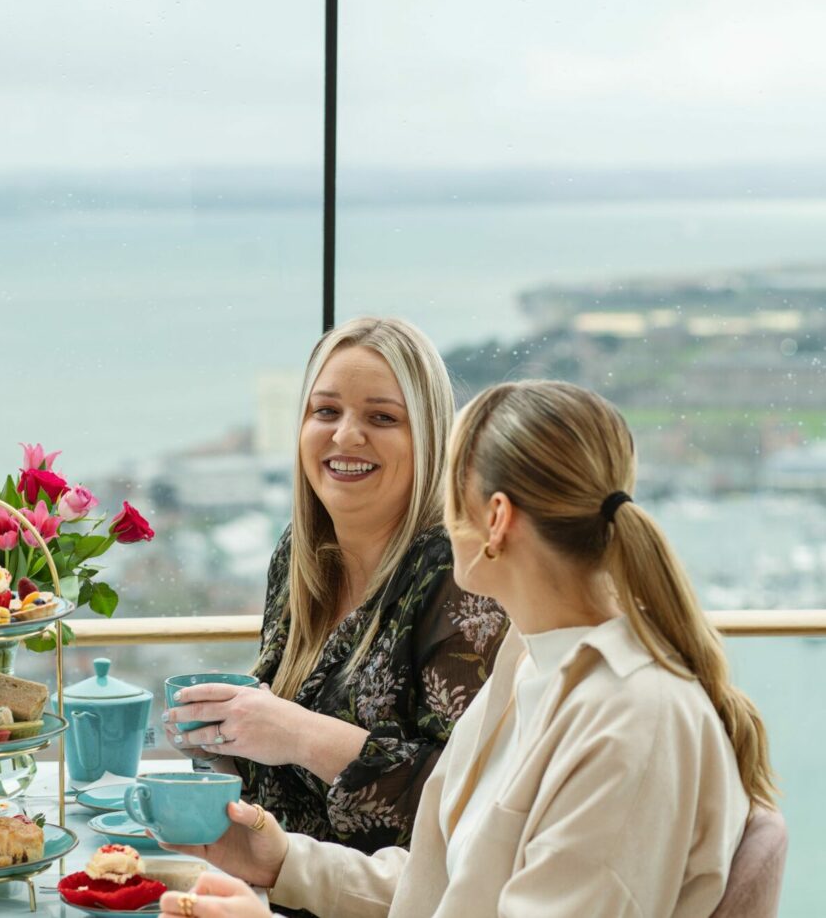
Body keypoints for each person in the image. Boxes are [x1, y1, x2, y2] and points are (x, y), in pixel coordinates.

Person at [157, 379, 776, 918]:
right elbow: (448, 884)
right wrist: (284, 861)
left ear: (497, 519)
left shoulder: (632, 725)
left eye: (450, 492)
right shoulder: (527, 668)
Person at [163, 317, 508, 856]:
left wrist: (297, 732)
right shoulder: (298, 554)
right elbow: (286, 781)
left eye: (382, 416)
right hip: (273, 884)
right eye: (326, 411)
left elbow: (470, 806)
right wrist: (221, 744)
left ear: (430, 435)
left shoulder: (463, 577)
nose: (345, 434)